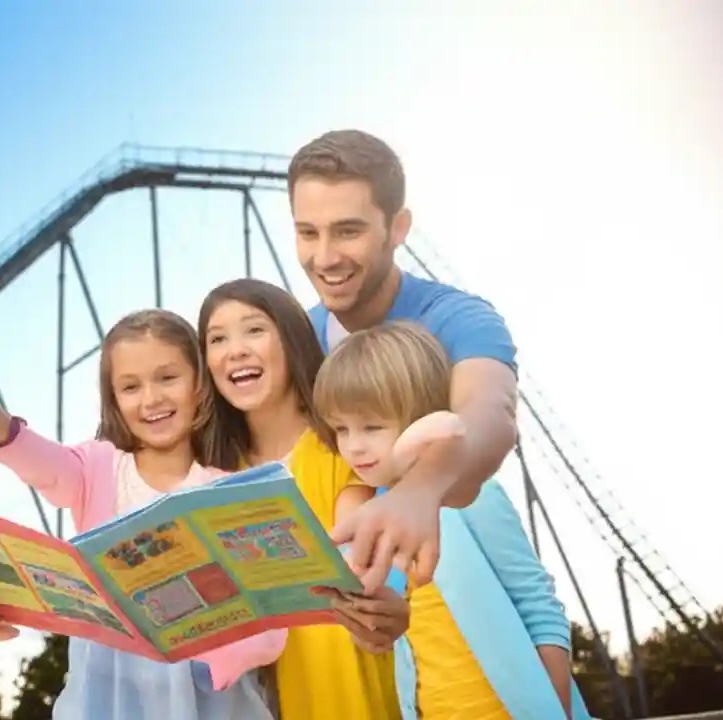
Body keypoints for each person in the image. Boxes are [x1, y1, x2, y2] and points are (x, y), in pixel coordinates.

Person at [0, 309, 283, 720]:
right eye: (130, 387)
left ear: (198, 386)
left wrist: (210, 649)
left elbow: (271, 623)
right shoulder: (97, 469)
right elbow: (45, 463)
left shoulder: (232, 492)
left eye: (168, 378)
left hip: (210, 701)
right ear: (114, 401)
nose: (152, 398)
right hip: (104, 701)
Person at [288, 128, 522, 594]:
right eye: (307, 233)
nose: (325, 257)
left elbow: (488, 413)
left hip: (450, 590)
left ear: (398, 227)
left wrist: (418, 491)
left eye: (348, 231)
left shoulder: (459, 318)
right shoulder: (296, 338)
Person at [316, 321, 587, 719]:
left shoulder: (470, 496)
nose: (354, 446)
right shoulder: (374, 518)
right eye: (341, 429)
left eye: (372, 426)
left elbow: (538, 607)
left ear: (421, 417)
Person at [197, 277, 403, 720]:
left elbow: (358, 556)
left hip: (342, 681)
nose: (234, 349)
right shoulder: (212, 478)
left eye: (254, 329)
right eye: (217, 339)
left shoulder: (340, 448)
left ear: (290, 337)